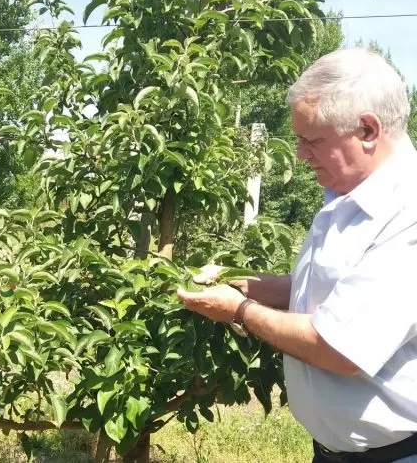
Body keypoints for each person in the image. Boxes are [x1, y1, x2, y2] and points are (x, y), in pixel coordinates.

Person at [178, 48, 417, 463]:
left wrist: (240, 310)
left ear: (367, 130)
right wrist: (255, 285)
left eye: (313, 140)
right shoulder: (346, 196)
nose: (302, 154)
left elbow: (340, 349)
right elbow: (341, 294)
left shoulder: (407, 216)